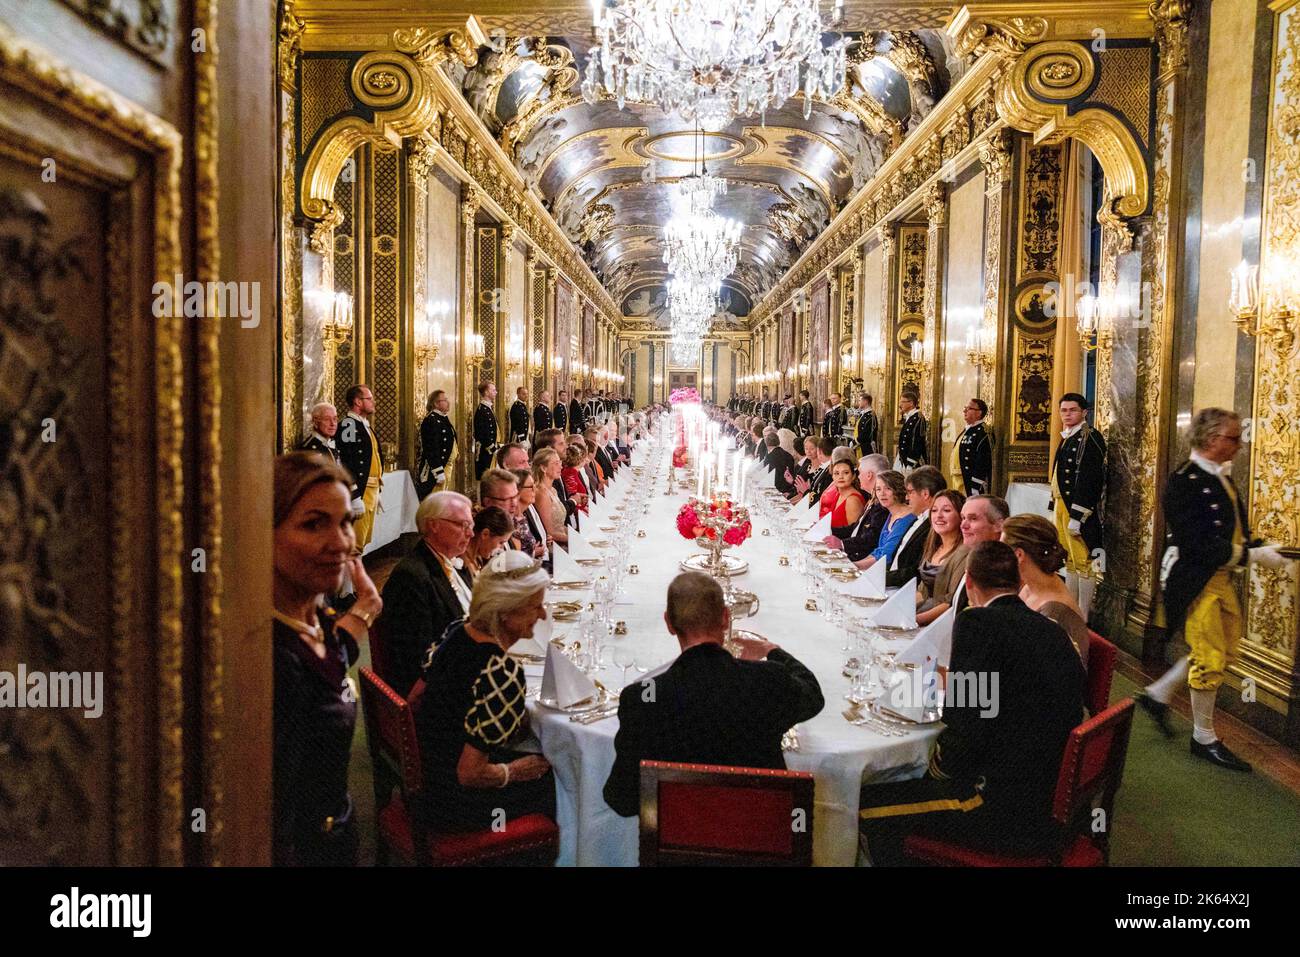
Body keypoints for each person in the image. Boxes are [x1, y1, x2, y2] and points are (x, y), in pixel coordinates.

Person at [858, 541, 1085, 866]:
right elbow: (997, 693)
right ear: (1018, 584)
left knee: (862, 803)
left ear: (970, 582)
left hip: (999, 808)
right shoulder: (1051, 630)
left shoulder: (977, 623)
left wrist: (928, 772)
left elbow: (966, 719)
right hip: (1051, 798)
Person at [1138, 408, 1289, 772]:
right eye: (1233, 438)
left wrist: (1262, 545)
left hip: (1218, 577)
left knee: (1224, 647)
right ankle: (1204, 738)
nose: (1239, 445)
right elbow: (1196, 543)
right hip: (1194, 578)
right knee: (1209, 656)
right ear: (1210, 439)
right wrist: (1251, 555)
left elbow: (1234, 528)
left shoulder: (1222, 477)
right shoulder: (1183, 481)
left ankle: (1157, 696)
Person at [603, 572, 825, 817]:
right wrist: (772, 651)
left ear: (668, 623)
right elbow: (813, 694)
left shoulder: (643, 698)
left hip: (679, 845)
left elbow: (621, 799)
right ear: (726, 618)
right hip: (761, 834)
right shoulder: (768, 680)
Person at [273, 452, 383, 866]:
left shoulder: (315, 617)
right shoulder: (269, 658)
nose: (341, 542)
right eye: (313, 524)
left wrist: (366, 609)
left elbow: (332, 658)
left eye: (345, 523)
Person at [415, 551, 556, 835]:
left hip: (426, 778)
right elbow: (470, 774)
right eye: (534, 607)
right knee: (566, 781)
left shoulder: (456, 631)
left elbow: (414, 699)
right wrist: (514, 771)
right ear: (505, 611)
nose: (542, 614)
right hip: (458, 804)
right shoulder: (501, 672)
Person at [379, 491, 475, 697]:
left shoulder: (455, 564)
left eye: (471, 526)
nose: (471, 534)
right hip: (440, 691)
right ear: (434, 525)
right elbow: (416, 655)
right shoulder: (411, 577)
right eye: (463, 525)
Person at [1002, 514, 1091, 669]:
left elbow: (1035, 671)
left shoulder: (1054, 612)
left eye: (1002, 549)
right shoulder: (1029, 587)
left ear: (1019, 555)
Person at [1051, 392, 1106, 620]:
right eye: (1063, 410)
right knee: (1070, 560)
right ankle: (1071, 608)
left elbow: (1090, 478)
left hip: (1078, 508)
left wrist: (1078, 514)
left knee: (1084, 560)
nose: (1067, 414)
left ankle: (1083, 614)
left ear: (1084, 412)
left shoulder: (1089, 437)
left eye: (1072, 410)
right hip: (1062, 503)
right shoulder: (1069, 436)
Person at [336, 384, 383, 551]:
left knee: (361, 542)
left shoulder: (364, 424)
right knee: (354, 544)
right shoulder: (349, 424)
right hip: (360, 491)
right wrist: (355, 495)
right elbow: (346, 462)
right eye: (369, 399)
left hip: (370, 490)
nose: (373, 402)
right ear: (358, 402)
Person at [883, 465, 946, 588]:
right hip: (890, 581)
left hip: (903, 589)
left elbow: (917, 570)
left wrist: (882, 578)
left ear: (925, 494)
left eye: (910, 492)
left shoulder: (935, 526)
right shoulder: (917, 519)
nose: (906, 498)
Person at [917, 489, 969, 626]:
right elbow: (922, 592)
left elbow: (950, 602)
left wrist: (916, 620)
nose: (938, 516)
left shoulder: (964, 552)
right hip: (923, 611)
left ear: (960, 516)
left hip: (939, 623)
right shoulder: (934, 546)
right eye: (934, 511)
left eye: (946, 511)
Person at [952, 494, 1010, 612]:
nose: (963, 525)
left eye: (973, 518)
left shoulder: (1004, 568)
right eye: (963, 518)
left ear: (999, 525)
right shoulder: (973, 557)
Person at [831, 453, 891, 561]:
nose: (857, 476)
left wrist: (841, 544)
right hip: (853, 553)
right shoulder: (872, 498)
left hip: (861, 559)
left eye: (859, 472)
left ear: (869, 475)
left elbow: (870, 539)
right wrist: (828, 529)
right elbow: (856, 527)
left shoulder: (883, 504)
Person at [857, 470, 916, 571]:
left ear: (898, 489)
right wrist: (855, 565)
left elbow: (886, 555)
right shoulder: (890, 514)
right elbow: (878, 551)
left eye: (888, 488)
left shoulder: (907, 518)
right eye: (878, 489)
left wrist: (855, 567)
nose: (882, 494)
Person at [415, 389, 456, 499]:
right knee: (433, 502)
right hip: (435, 469)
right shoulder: (431, 420)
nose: (448, 402)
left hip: (446, 465)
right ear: (436, 404)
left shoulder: (441, 418)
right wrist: (438, 470)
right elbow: (431, 448)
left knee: (441, 500)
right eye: (445, 400)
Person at [462, 505, 516, 579]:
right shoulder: (460, 562)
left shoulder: (480, 559)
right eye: (501, 542)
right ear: (485, 534)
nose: (501, 548)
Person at [955, 398, 992, 496]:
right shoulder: (969, 429)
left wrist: (976, 484)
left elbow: (983, 460)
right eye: (965, 408)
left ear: (979, 413)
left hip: (973, 481)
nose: (965, 411)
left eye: (969, 408)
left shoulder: (983, 432)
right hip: (962, 478)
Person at [532, 448, 569, 546]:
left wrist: (578, 535)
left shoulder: (553, 490)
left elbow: (560, 526)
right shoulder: (541, 494)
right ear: (543, 468)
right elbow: (550, 532)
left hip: (563, 540)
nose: (560, 467)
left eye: (560, 462)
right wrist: (574, 540)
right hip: (553, 547)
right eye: (556, 463)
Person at [820, 457, 866, 535]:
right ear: (832, 477)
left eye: (846, 472)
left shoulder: (852, 500)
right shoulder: (838, 494)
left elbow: (854, 534)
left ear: (853, 476)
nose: (840, 477)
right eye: (836, 473)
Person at [511, 467, 548, 562]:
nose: (535, 490)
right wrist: (533, 552)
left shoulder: (524, 514)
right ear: (517, 490)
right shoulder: (511, 520)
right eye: (531, 487)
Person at [472, 381, 500, 480]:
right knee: (485, 479)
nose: (496, 392)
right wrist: (492, 448)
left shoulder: (487, 408)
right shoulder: (482, 410)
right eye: (493, 390)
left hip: (491, 450)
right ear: (486, 392)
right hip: (486, 451)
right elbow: (482, 433)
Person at [896, 386, 928, 471]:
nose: (900, 405)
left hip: (914, 463)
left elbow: (918, 442)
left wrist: (911, 463)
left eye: (903, 402)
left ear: (911, 403)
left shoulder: (918, 418)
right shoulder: (910, 417)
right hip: (905, 461)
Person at [765, 432, 799, 497]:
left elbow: (768, 476)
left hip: (775, 490)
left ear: (766, 444)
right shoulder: (788, 455)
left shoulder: (769, 458)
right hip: (789, 489)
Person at [561, 444, 591, 516]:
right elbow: (572, 498)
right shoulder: (569, 474)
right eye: (585, 457)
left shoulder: (574, 472)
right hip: (578, 515)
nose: (587, 460)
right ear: (580, 458)